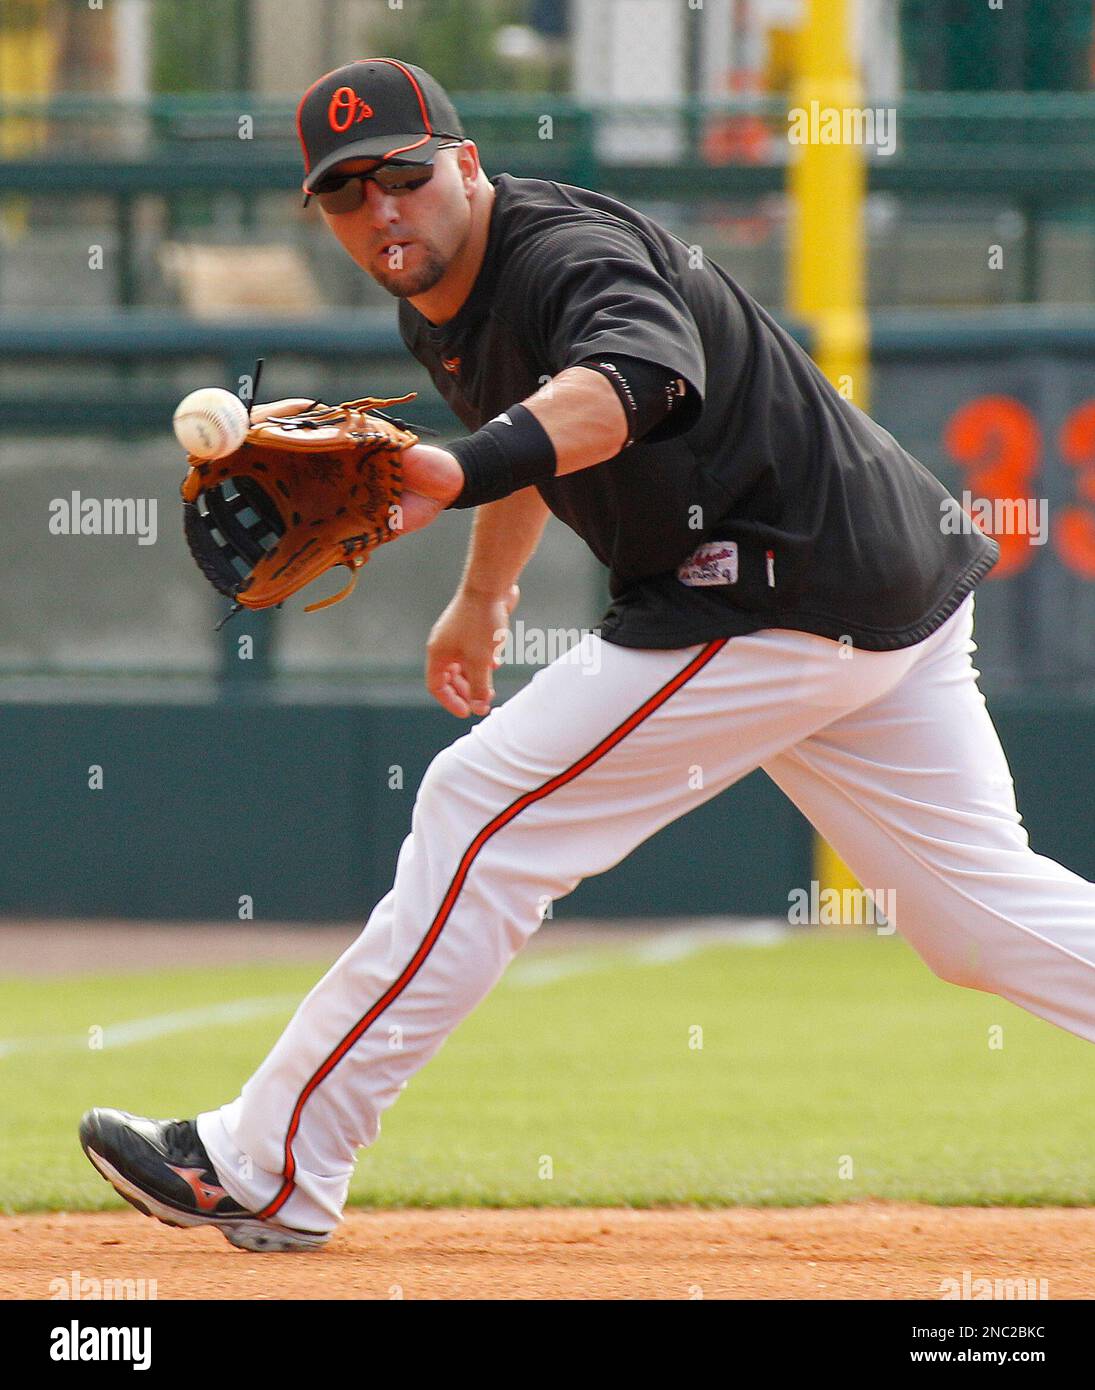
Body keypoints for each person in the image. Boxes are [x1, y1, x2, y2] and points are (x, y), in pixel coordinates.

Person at [79, 59, 1095, 1253]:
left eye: (402, 172)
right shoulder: (440, 298)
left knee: (477, 811)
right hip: (884, 588)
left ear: (466, 165)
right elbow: (536, 431)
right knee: (976, 921)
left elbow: (631, 388)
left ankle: (266, 1161)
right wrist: (485, 590)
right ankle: (275, 1158)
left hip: (770, 590)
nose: (382, 209)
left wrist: (457, 474)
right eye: (346, 193)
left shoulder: (565, 257)